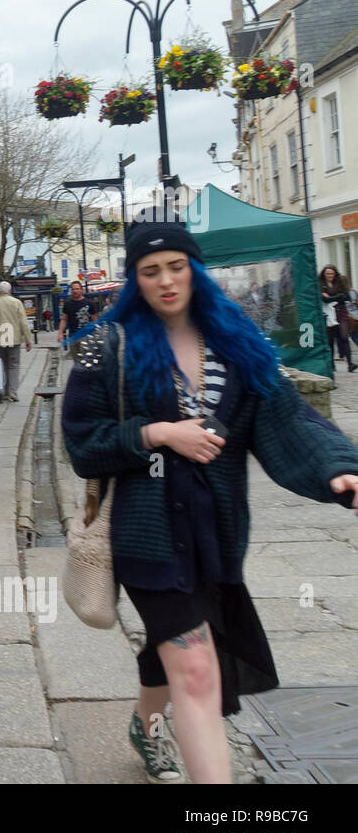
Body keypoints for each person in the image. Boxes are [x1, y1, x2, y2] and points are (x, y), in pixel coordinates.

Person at [62, 219, 358, 784]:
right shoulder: (107, 346)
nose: (166, 281)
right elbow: (82, 443)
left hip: (217, 534)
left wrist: (340, 472)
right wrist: (158, 434)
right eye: (151, 271)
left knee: (172, 649)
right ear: (135, 280)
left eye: (176, 267)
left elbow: (288, 419)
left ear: (194, 270)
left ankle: (143, 724)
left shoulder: (237, 340)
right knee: (197, 670)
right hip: (147, 537)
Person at [0, 281, 33, 402]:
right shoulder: (16, 302)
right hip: (14, 338)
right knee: (14, 365)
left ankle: (4, 390)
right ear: (9, 291)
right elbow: (23, 322)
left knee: (2, 365)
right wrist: (28, 339)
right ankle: (13, 391)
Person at [318, 265, 355, 372]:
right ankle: (331, 364)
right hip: (328, 314)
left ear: (335, 273)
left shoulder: (340, 282)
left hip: (341, 313)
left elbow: (347, 296)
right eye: (327, 273)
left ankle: (350, 363)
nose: (330, 276)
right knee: (330, 340)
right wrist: (338, 297)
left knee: (344, 337)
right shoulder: (321, 284)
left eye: (332, 273)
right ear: (324, 274)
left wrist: (331, 298)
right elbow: (324, 299)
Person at [58, 281, 96, 361]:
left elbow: (94, 320)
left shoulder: (89, 303)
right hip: (73, 336)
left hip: (86, 336)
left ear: (82, 290)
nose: (75, 291)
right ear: (71, 291)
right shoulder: (67, 304)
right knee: (76, 361)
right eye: (73, 289)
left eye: (77, 289)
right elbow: (64, 319)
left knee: (87, 360)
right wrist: (60, 333)